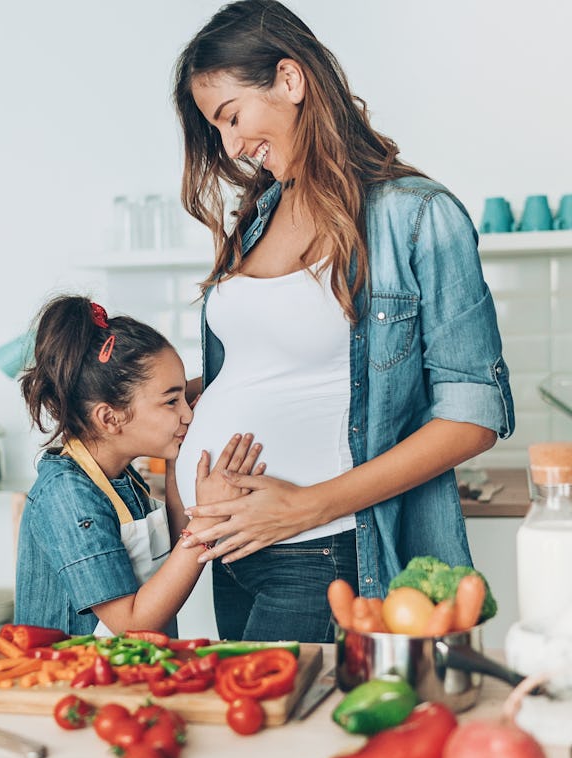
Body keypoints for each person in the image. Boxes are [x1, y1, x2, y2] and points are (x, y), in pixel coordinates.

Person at [172, 0, 514, 643]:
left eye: (232, 116)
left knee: (294, 740)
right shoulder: (260, 216)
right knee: (255, 740)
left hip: (323, 552)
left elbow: (473, 416)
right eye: (216, 129)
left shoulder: (418, 216)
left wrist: (303, 506)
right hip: (232, 551)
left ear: (291, 80)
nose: (232, 146)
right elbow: (275, 368)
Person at [14, 294, 263, 636]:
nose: (187, 413)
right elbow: (132, 623)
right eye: (171, 401)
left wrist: (179, 459)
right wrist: (207, 521)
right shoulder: (68, 495)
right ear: (110, 417)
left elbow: (177, 545)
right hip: (70, 679)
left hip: (122, 674)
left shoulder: (122, 476)